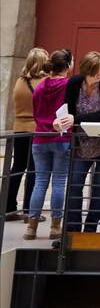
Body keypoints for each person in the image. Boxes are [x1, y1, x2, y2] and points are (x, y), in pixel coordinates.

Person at [64, 52, 100, 233]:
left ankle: (90, 229)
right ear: (87, 71)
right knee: (74, 186)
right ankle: (73, 230)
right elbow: (68, 110)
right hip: (81, 144)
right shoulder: (74, 83)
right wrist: (63, 120)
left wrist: (77, 118)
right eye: (97, 71)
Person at [26, 48, 74, 239]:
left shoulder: (40, 86)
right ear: (67, 65)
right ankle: (55, 226)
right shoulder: (68, 85)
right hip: (61, 138)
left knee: (39, 182)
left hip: (40, 137)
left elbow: (36, 111)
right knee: (59, 182)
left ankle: (31, 227)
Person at [6, 47, 48, 221]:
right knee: (34, 169)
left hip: (19, 129)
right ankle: (29, 210)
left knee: (17, 167)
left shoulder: (19, 82)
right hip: (36, 129)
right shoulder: (45, 82)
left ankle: (8, 207)